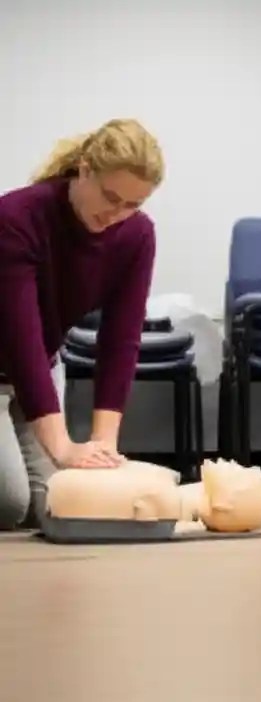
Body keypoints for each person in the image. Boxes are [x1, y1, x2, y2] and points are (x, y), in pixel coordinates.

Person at [0, 119, 164, 530]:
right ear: (85, 169)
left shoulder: (137, 234)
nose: (117, 214)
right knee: (10, 504)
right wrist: (60, 445)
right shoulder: (16, 217)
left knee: (59, 506)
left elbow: (121, 339)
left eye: (133, 204)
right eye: (111, 196)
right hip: (16, 357)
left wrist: (102, 444)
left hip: (38, 367)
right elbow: (21, 338)